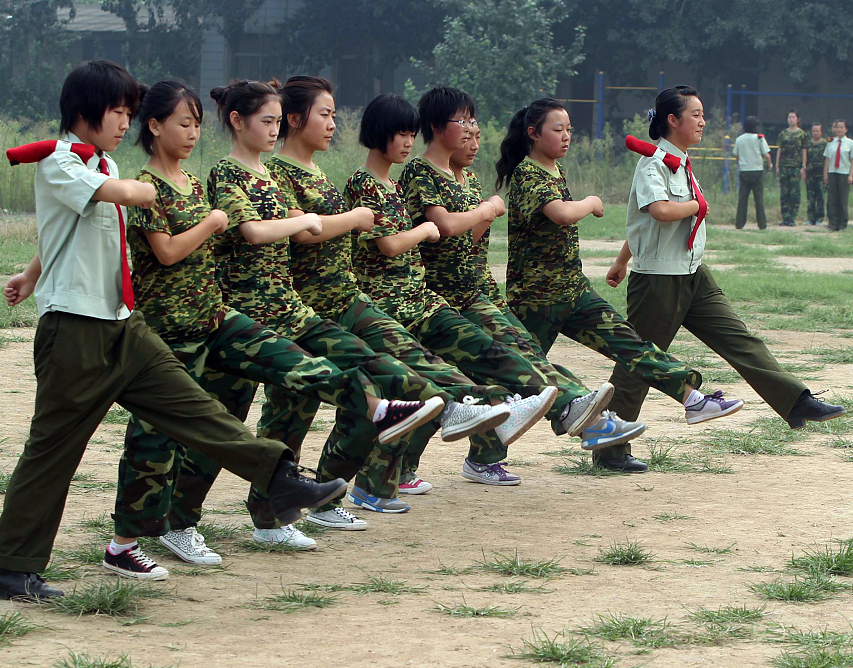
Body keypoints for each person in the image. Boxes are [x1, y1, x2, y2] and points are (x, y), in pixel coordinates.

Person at [0, 61, 347, 599]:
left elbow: (60, 230)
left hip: (123, 324)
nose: (124, 122)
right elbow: (126, 197)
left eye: (130, 113)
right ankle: (13, 568)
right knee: (54, 450)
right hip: (74, 334)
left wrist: (29, 272)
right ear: (86, 112)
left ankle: (277, 477)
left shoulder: (101, 162)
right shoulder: (59, 163)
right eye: (118, 112)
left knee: (193, 408)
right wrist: (148, 190)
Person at [108, 80, 447, 568]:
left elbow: (278, 227)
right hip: (171, 333)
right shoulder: (163, 184)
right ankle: (152, 533)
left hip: (219, 316)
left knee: (287, 375)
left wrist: (311, 220)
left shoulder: (214, 181)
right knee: (169, 438)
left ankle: (370, 409)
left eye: (195, 124)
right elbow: (172, 250)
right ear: (156, 125)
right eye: (184, 123)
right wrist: (223, 222)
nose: (191, 133)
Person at [262, 76, 535, 515]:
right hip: (306, 308)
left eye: (334, 115)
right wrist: (354, 218)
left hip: (341, 302)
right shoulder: (280, 173)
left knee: (378, 388)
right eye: (325, 114)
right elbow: (306, 228)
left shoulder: (322, 177)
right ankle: (272, 505)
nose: (333, 124)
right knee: (289, 416)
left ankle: (326, 492)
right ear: (295, 120)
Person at [603, 86, 845, 473]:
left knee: (740, 338)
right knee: (638, 363)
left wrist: (620, 260)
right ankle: (610, 446)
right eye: (695, 114)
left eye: (702, 114)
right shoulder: (652, 165)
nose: (702, 121)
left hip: (693, 273)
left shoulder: (679, 162)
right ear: (672, 120)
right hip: (659, 282)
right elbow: (658, 211)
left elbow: (643, 223)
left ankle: (796, 400)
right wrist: (696, 205)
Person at [498, 97, 743, 469]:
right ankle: (478, 454)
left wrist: (618, 258)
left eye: (569, 130)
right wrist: (592, 201)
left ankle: (692, 398)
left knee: (630, 343)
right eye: (557, 130)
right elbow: (562, 214)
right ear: (533, 133)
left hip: (573, 292)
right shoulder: (527, 174)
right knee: (516, 379)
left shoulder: (554, 171)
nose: (566, 137)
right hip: (536, 301)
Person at [399, 86, 624, 483]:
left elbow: (467, 240)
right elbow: (445, 227)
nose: (472, 132)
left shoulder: (464, 178)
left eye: (474, 124)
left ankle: (577, 411)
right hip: (444, 297)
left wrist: (481, 214)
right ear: (436, 126)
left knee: (503, 360)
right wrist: (485, 209)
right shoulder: (420, 172)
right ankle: (571, 410)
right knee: (475, 372)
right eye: (464, 123)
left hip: (476, 290)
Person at [732, 115, 770, 229]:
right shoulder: (759, 138)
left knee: (743, 198)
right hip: (757, 170)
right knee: (759, 198)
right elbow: (766, 154)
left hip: (744, 171)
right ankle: (762, 225)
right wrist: (770, 164)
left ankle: (739, 224)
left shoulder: (739, 139)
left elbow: (736, 156)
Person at [822, 119, 853, 232]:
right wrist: (825, 173)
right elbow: (827, 159)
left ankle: (842, 224)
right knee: (832, 199)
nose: (839, 129)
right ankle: (832, 223)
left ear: (846, 129)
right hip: (832, 172)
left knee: (842, 200)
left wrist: (851, 175)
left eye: (842, 127)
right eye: (837, 127)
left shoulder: (850, 143)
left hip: (844, 173)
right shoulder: (830, 142)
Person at [774, 109, 807, 227]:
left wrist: (803, 166)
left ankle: (793, 217)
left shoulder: (802, 134)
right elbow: (780, 149)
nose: (791, 119)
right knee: (784, 193)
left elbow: (804, 150)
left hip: (795, 166)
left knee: (794, 193)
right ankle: (785, 217)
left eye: (793, 117)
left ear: (797, 119)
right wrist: (777, 165)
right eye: (789, 117)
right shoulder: (783, 134)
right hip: (784, 166)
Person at [804, 122, 827, 225]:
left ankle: (820, 218)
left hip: (821, 174)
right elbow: (805, 158)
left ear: (821, 132)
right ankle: (811, 218)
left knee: (821, 196)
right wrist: (804, 169)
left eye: (817, 131)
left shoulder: (825, 144)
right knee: (810, 197)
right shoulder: (808, 143)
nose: (815, 133)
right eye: (814, 131)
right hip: (810, 173)